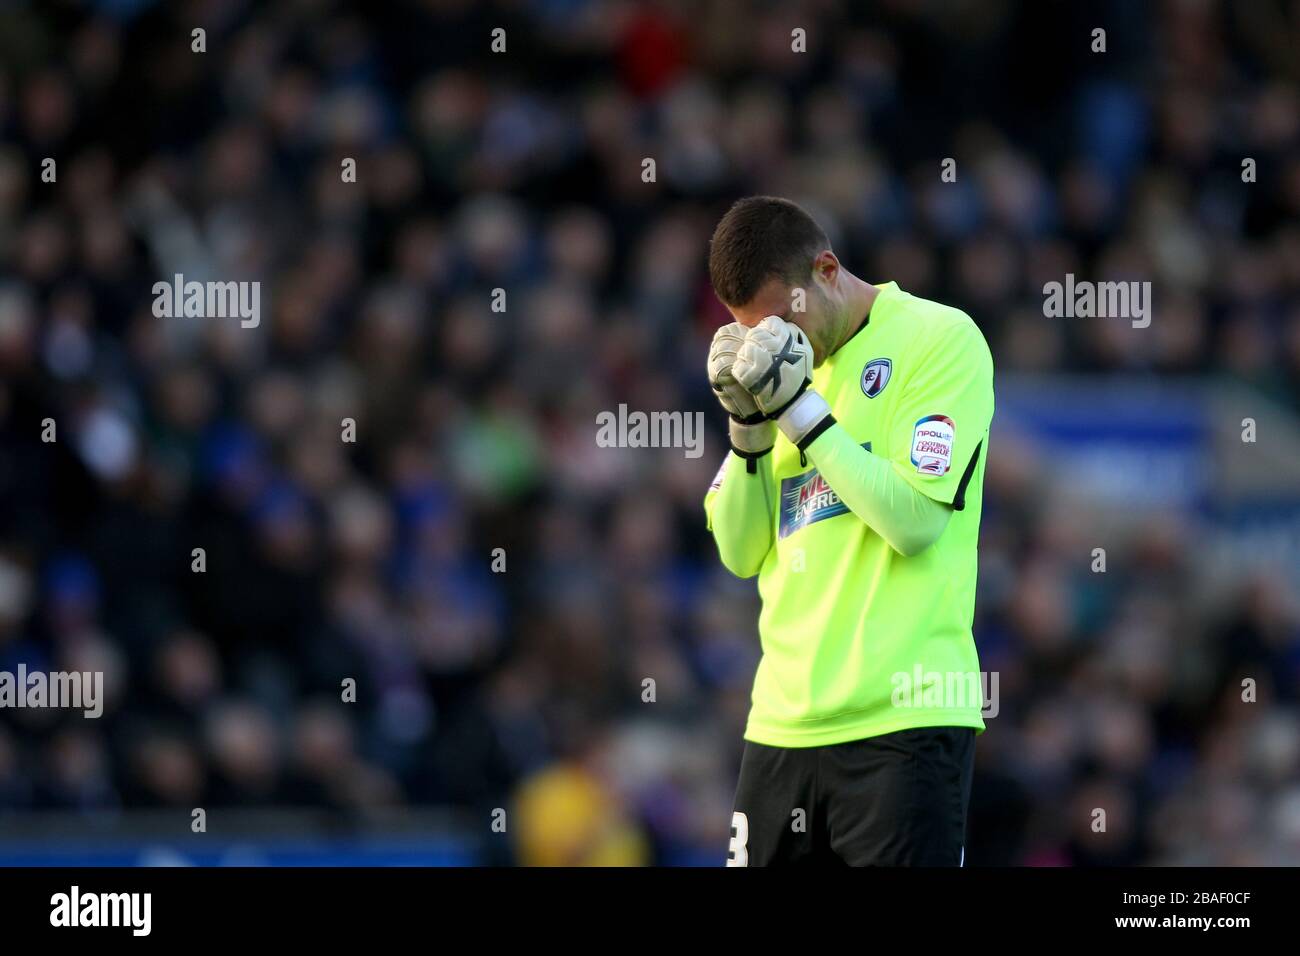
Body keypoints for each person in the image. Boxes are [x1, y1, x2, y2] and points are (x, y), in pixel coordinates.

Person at [704, 196, 994, 866]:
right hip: (780, 725)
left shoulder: (939, 338)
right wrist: (749, 430)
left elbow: (916, 522)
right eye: (753, 331)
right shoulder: (779, 376)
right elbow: (741, 553)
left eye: (782, 321)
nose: (775, 344)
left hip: (904, 723)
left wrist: (798, 412)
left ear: (827, 269)